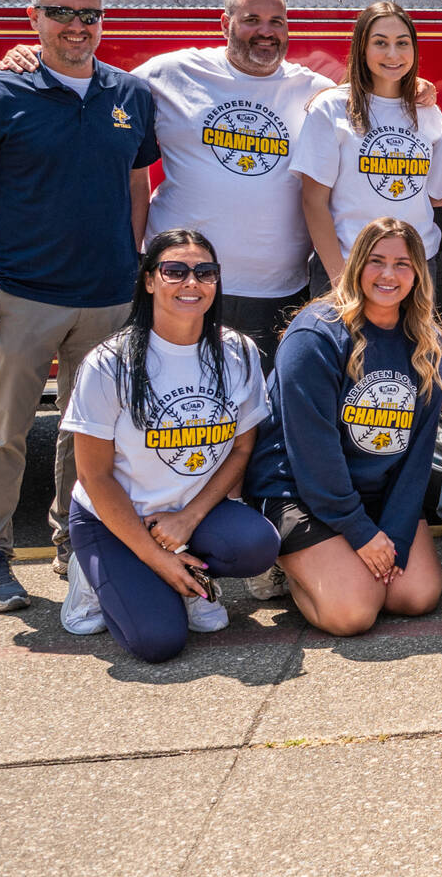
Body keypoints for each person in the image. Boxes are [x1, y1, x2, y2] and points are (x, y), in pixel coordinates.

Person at [0, 0, 160, 610]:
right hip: (23, 298)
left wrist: (134, 262)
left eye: (89, 15)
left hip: (108, 298)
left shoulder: (128, 95)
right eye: (62, 13)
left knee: (85, 435)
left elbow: (136, 183)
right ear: (32, 18)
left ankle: (74, 544)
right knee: (2, 433)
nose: (77, 27)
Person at [0, 0, 334, 365]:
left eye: (277, 21)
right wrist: (36, 58)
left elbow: (376, 109)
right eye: (251, 19)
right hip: (181, 282)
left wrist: (418, 89)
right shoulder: (172, 72)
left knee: (262, 414)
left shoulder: (316, 91)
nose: (266, 31)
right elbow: (93, 88)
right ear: (225, 24)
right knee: (177, 406)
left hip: (279, 291)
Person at [58, 230, 279, 662]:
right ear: (149, 280)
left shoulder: (238, 351)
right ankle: (91, 576)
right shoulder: (109, 363)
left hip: (190, 517)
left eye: (205, 272)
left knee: (258, 546)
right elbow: (93, 475)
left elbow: (240, 450)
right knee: (159, 642)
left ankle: (189, 577)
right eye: (175, 271)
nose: (191, 283)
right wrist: (159, 560)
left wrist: (187, 519)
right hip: (114, 518)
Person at [244, 218, 442, 635]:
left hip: (375, 493)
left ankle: (340, 563)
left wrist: (391, 535)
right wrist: (360, 533)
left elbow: (418, 456)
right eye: (376, 261)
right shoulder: (315, 336)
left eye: (402, 264)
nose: (388, 275)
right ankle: (284, 567)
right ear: (356, 265)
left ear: (418, 274)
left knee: (415, 596)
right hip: (298, 490)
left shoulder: (426, 342)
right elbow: (312, 454)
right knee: (353, 613)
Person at [291, 2, 442, 285]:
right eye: (380, 43)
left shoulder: (427, 111)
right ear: (362, 49)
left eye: (402, 43)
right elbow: (313, 201)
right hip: (349, 266)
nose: (393, 54)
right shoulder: (332, 107)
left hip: (415, 270)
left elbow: (436, 192)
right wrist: (338, 279)